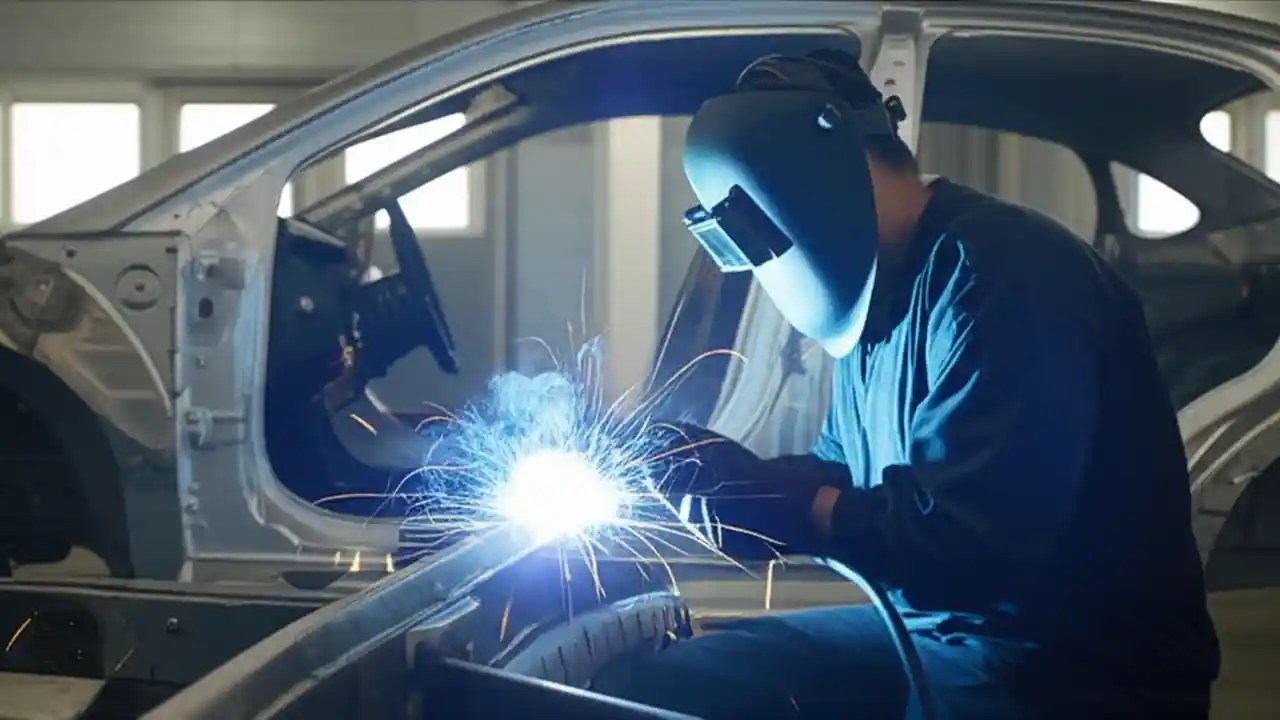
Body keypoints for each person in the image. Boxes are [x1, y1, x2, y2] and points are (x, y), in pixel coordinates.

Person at [591, 49, 1220, 719]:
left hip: (1068, 665)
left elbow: (970, 549)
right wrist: (721, 481)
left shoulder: (1003, 277)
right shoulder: (876, 297)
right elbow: (845, 479)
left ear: (814, 183)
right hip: (941, 632)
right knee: (675, 684)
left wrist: (790, 507)